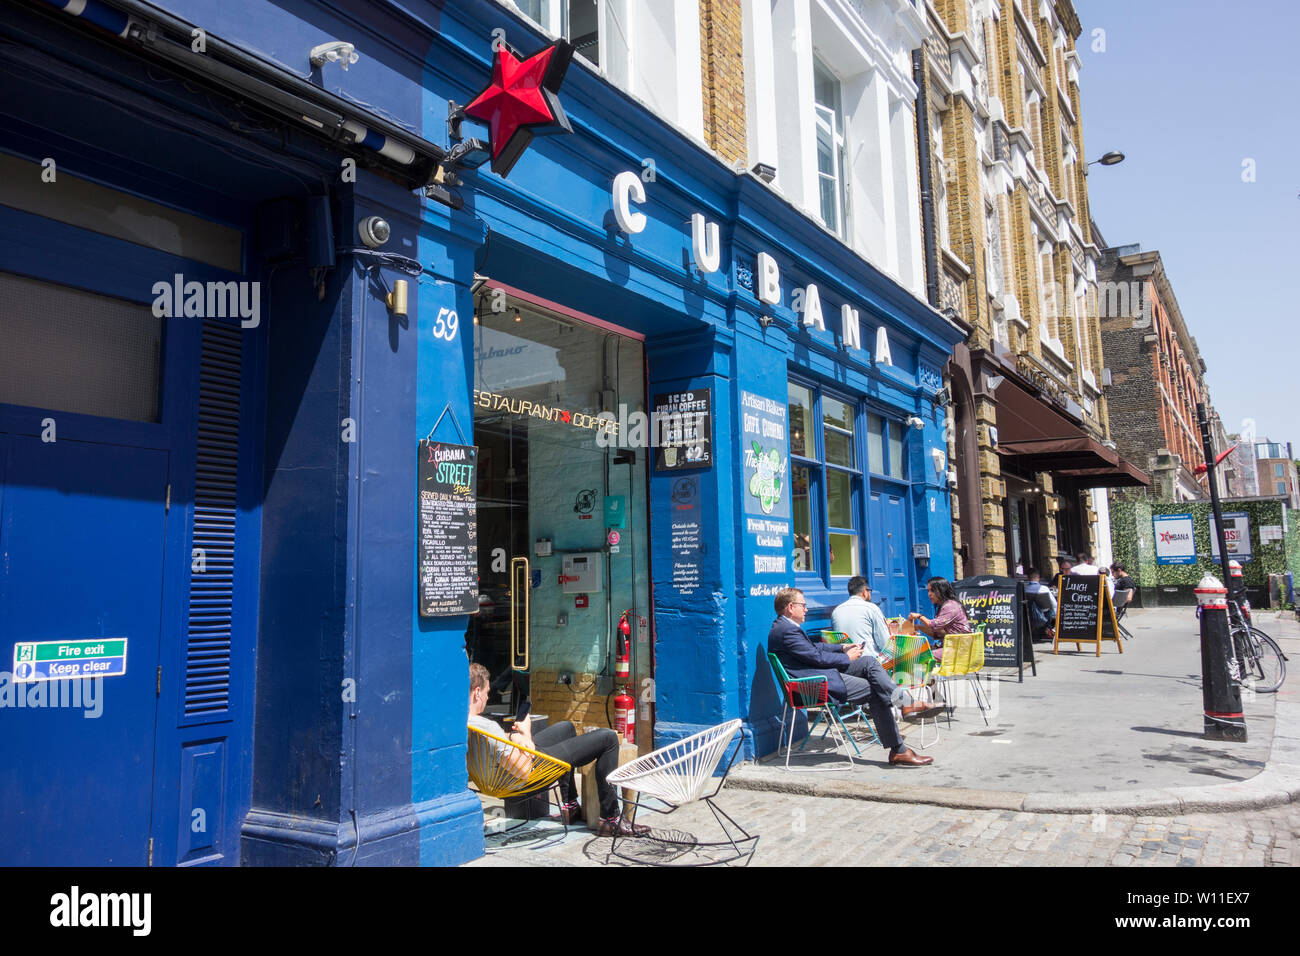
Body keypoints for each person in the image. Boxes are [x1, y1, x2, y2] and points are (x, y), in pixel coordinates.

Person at [467, 663, 648, 837]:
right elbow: (523, 770)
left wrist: (514, 737)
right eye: (486, 693)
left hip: (502, 771)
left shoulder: (464, 721)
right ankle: (611, 819)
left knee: (566, 727)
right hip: (528, 774)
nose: (488, 698)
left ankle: (570, 806)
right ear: (477, 693)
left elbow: (496, 746)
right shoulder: (488, 726)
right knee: (608, 739)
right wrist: (526, 733)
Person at [768, 588, 937, 767]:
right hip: (814, 684)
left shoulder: (786, 627)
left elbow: (815, 648)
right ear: (790, 607)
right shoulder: (787, 631)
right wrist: (846, 658)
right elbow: (815, 657)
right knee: (876, 690)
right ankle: (899, 749)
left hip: (819, 675)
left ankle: (906, 705)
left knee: (868, 663)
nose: (806, 609)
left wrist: (842, 648)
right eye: (803, 605)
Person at [830, 576, 893, 661]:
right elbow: (885, 645)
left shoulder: (836, 611)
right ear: (864, 592)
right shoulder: (872, 609)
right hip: (870, 664)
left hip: (846, 662)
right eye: (869, 591)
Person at [908, 576, 972, 658]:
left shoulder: (950, 606)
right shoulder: (943, 606)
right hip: (951, 647)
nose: (929, 594)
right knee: (916, 652)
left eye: (933, 590)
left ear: (942, 590)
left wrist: (919, 616)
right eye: (928, 591)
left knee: (916, 657)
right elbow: (937, 635)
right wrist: (919, 627)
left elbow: (933, 625)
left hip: (958, 649)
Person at [1024, 568, 1056, 641]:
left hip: (1029, 616)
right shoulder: (1044, 588)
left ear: (1028, 578)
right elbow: (1054, 603)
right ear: (1038, 577)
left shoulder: (1025, 589)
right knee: (1052, 609)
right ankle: (1048, 629)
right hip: (1045, 616)